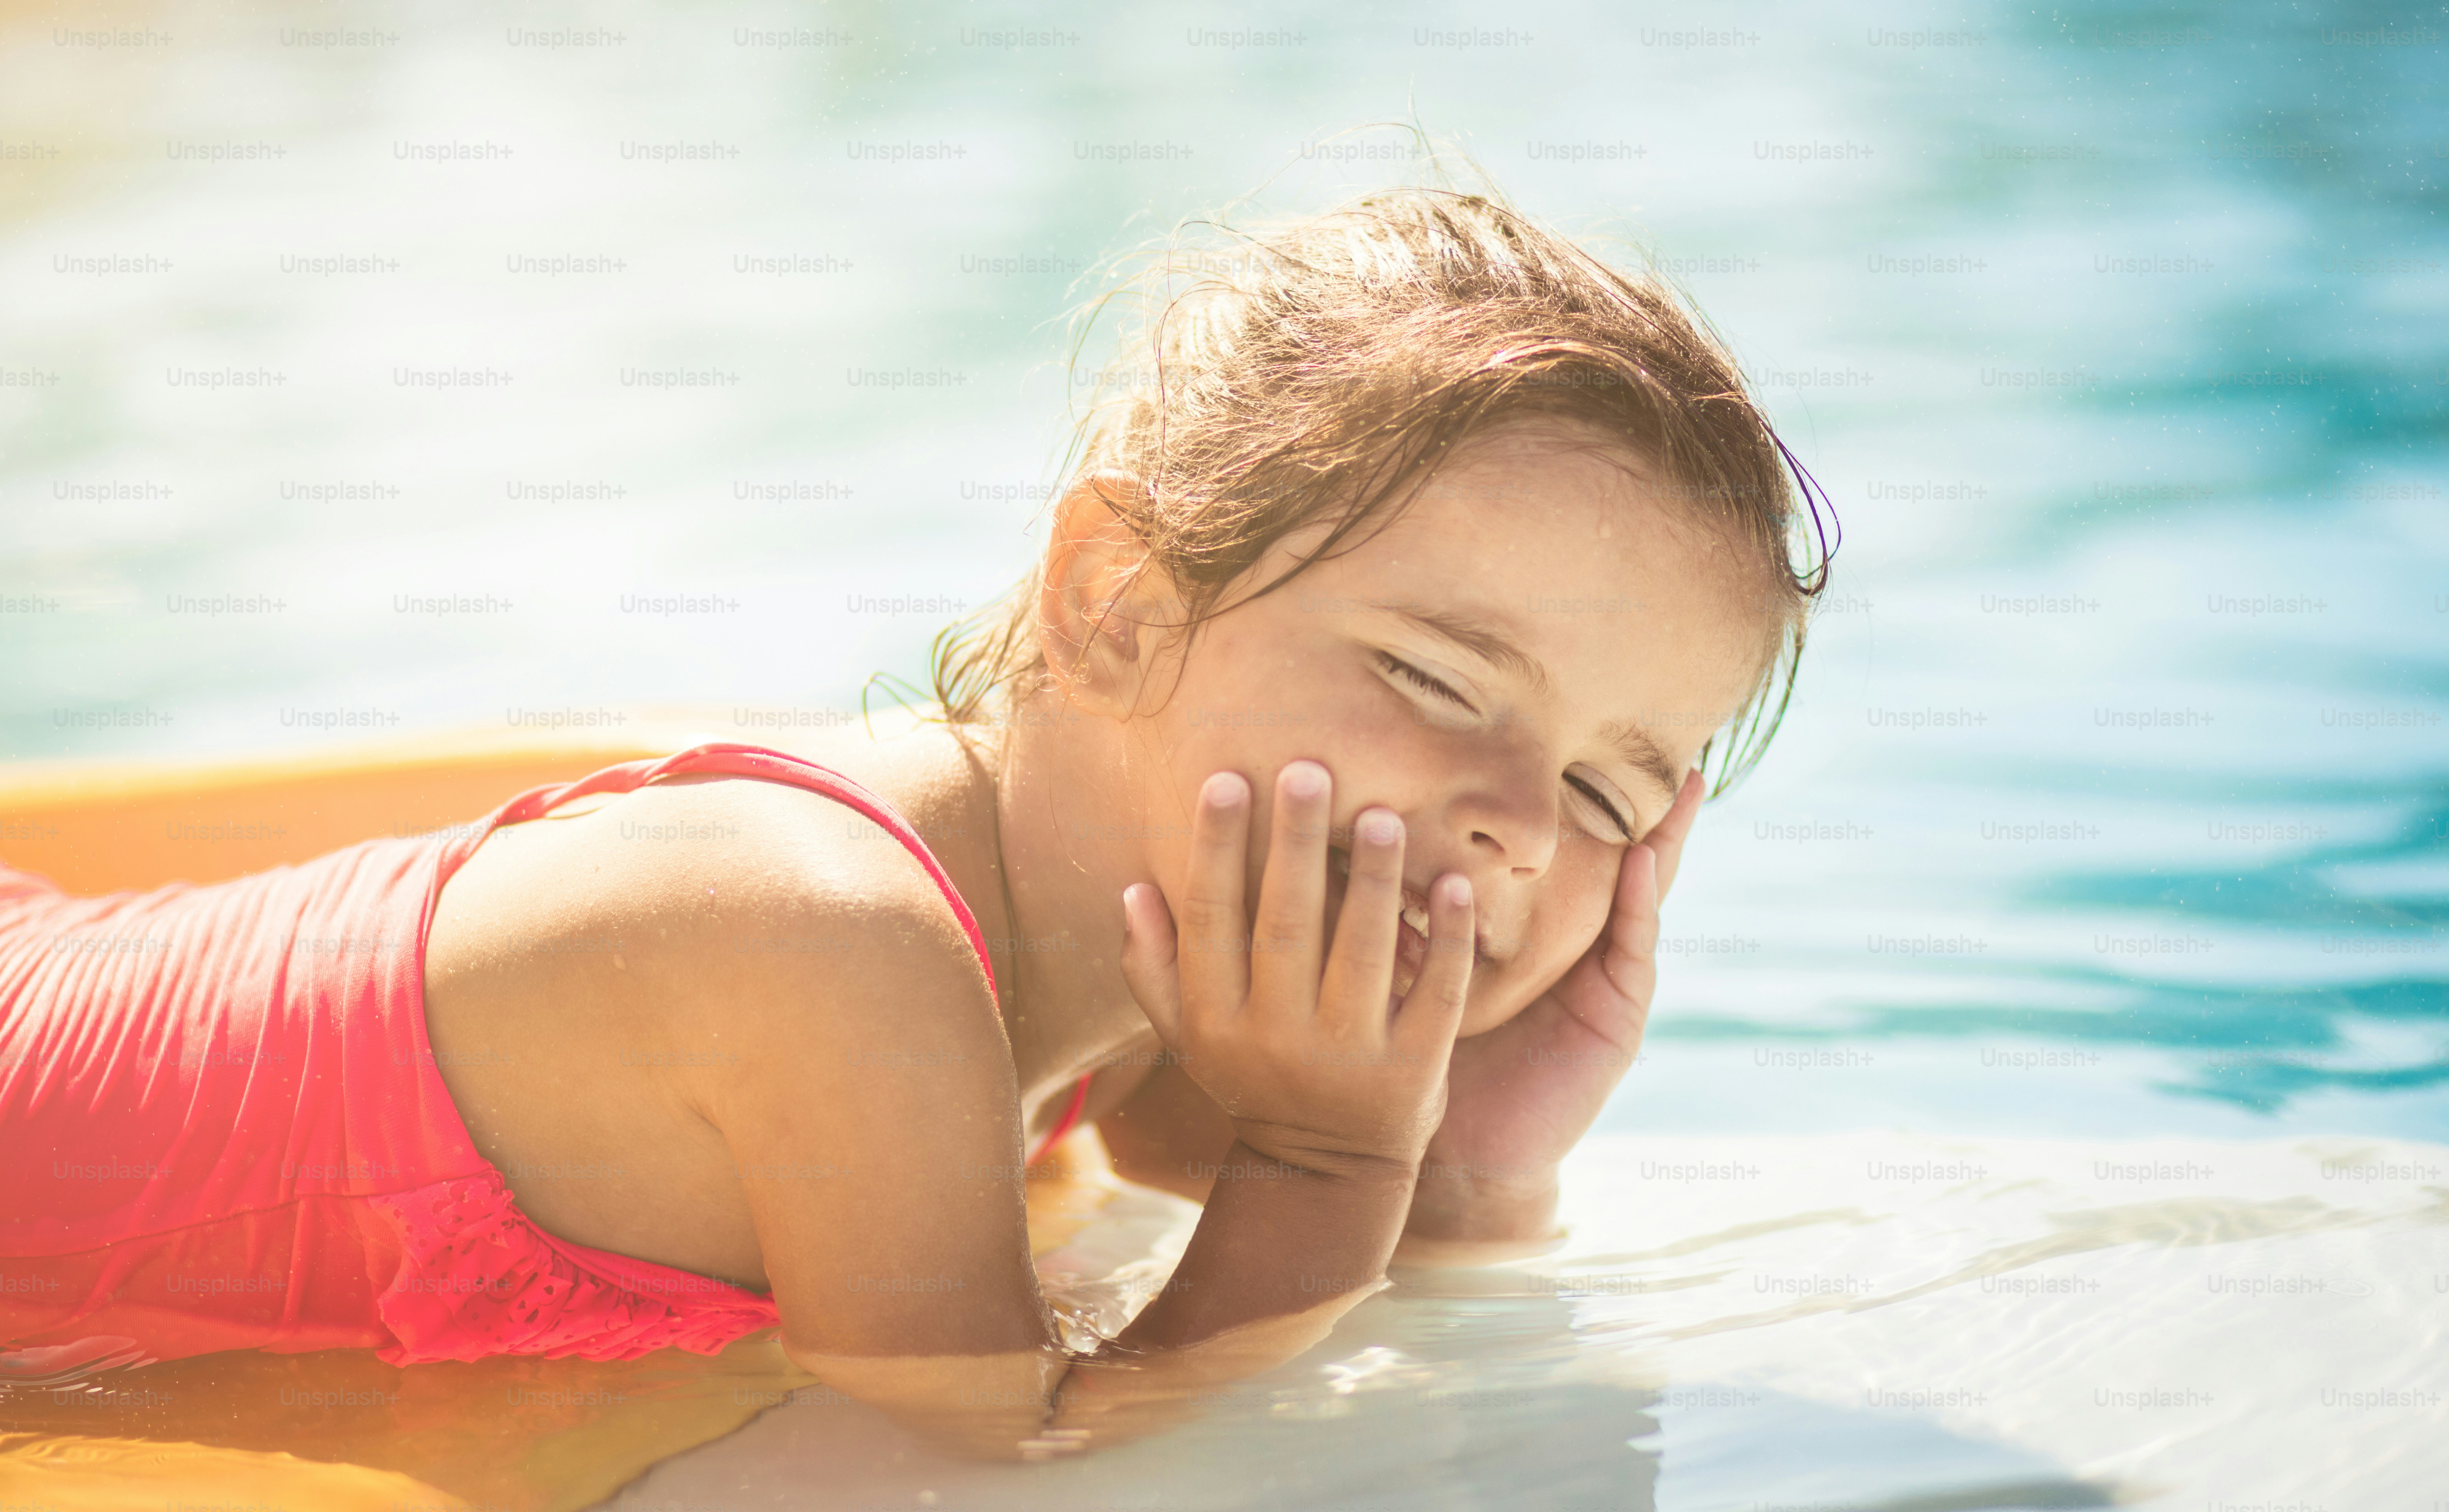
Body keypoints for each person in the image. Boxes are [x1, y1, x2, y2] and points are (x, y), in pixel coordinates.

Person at [0, 183, 1830, 1453]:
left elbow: (1271, 1258)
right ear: (1115, 605)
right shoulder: (826, 946)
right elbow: (997, 1459)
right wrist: (1336, 1173)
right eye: (1436, 681)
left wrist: (1464, 1157)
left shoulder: (1124, 979)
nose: (1517, 822)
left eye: (1607, 787)